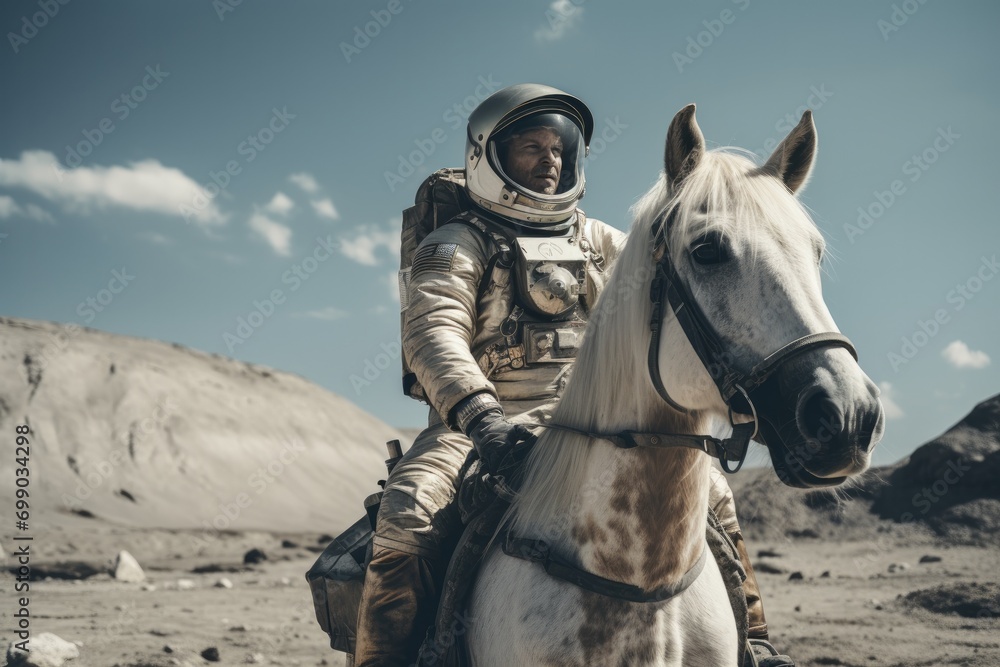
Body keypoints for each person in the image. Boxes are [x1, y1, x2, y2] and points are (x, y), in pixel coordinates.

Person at [353, 83, 786, 667]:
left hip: (598, 419)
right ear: (487, 157)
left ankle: (756, 645)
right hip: (482, 427)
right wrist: (482, 418)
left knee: (713, 493)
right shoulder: (456, 245)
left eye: (559, 148)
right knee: (411, 508)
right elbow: (432, 335)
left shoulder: (607, 243)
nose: (550, 160)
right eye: (531, 147)